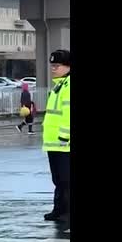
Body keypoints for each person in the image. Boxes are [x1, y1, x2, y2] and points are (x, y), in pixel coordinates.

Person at [42, 50, 71, 224]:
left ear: (68, 66)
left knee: (66, 180)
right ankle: (59, 209)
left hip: (64, 143)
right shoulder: (59, 85)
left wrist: (64, 137)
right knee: (58, 179)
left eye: (56, 66)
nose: (53, 68)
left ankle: (66, 212)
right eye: (52, 65)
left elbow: (68, 114)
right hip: (54, 144)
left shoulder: (68, 86)